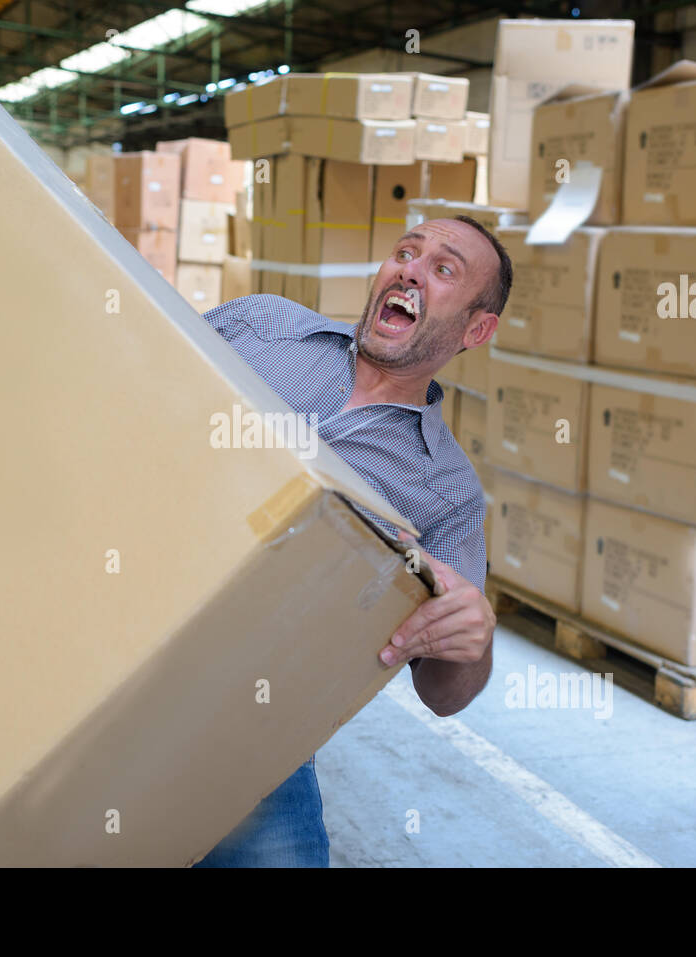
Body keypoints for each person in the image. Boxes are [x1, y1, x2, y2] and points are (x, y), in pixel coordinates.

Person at [193, 215, 512, 867]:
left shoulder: (446, 494)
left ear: (476, 329)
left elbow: (445, 695)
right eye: (405, 252)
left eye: (443, 269)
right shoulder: (260, 325)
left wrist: (471, 637)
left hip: (252, 728)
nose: (411, 270)